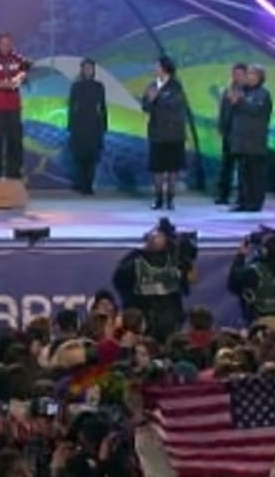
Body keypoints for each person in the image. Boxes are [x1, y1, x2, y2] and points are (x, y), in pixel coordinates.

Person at [112, 218, 196, 343]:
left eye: (160, 235)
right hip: (141, 317)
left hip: (169, 318)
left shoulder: (175, 259)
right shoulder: (136, 258)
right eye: (156, 234)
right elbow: (119, 280)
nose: (155, 237)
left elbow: (189, 280)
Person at [141, 56, 187, 210]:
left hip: (174, 133)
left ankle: (170, 199)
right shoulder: (152, 85)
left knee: (172, 168)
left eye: (158, 66)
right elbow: (146, 106)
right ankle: (158, 198)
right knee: (157, 168)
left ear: (165, 68)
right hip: (157, 132)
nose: (155, 68)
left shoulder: (176, 86)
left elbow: (174, 104)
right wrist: (151, 100)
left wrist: (157, 97)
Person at [0, 33, 29, 180]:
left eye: (8, 43)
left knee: (14, 141)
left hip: (13, 107)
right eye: (3, 43)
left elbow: (23, 77)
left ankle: (13, 173)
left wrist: (18, 80)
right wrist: (1, 84)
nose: (6, 46)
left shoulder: (19, 60)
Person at [228, 65, 273, 212]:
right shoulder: (243, 93)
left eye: (253, 74)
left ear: (260, 77)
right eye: (248, 74)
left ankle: (255, 202)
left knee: (255, 174)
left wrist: (240, 101)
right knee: (243, 173)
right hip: (241, 141)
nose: (249, 77)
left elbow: (256, 110)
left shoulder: (263, 94)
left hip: (255, 141)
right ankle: (242, 201)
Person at [66, 58, 107, 195]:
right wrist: (70, 125)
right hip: (79, 123)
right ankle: (82, 184)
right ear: (82, 69)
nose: (88, 70)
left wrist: (104, 125)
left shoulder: (99, 86)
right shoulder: (76, 86)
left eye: (91, 68)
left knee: (92, 156)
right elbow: (71, 106)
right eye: (86, 68)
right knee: (79, 156)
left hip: (94, 123)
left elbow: (103, 107)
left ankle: (89, 185)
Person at [214, 63, 248, 205]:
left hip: (243, 134)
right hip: (229, 133)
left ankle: (242, 195)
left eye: (239, 74)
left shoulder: (249, 91)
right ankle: (223, 195)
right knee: (226, 165)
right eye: (234, 74)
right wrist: (221, 127)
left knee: (242, 167)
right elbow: (223, 110)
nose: (236, 77)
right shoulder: (227, 90)